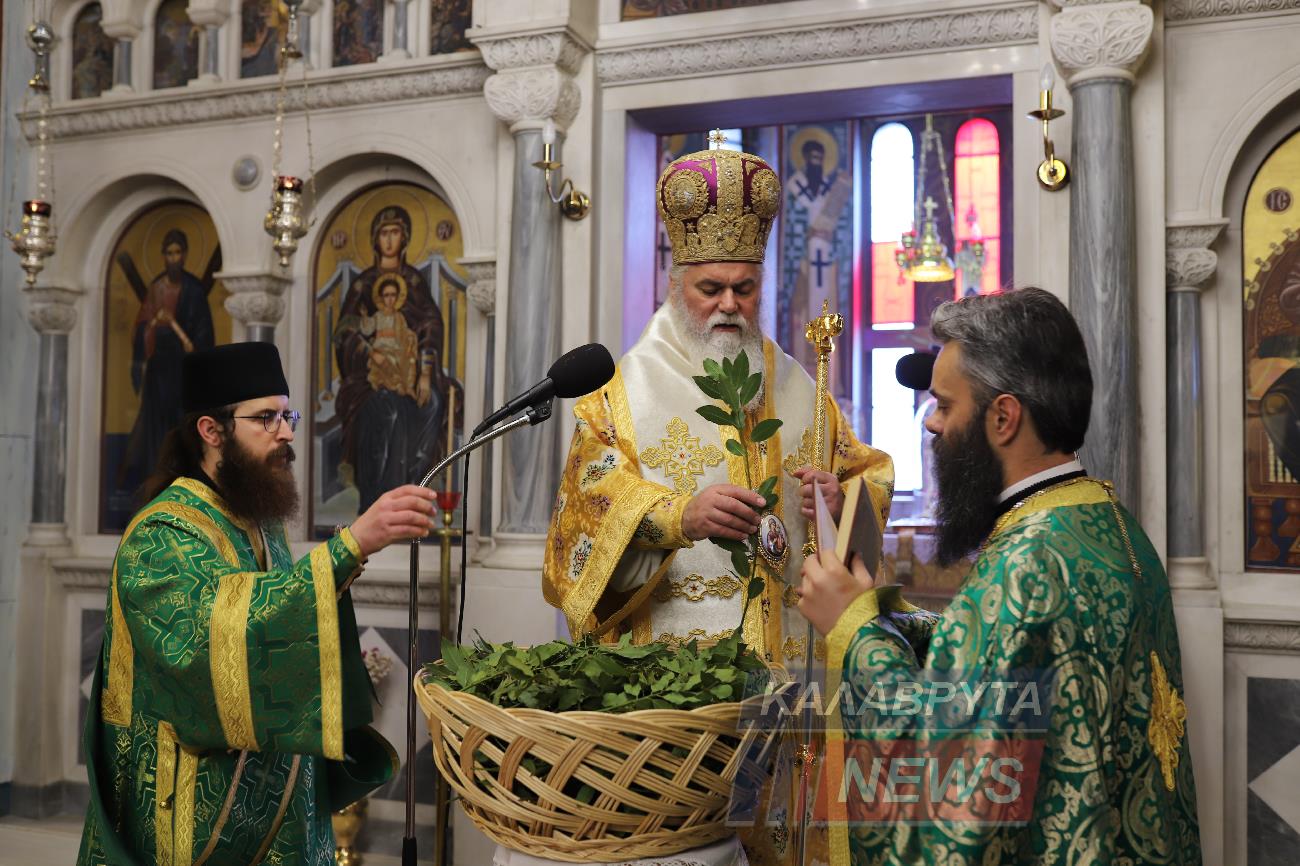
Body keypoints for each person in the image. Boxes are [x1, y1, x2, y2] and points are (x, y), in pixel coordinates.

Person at [542, 141, 894, 866]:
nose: (730, 304)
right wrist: (677, 516)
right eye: (711, 288)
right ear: (676, 283)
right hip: (677, 708)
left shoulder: (798, 385)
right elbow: (578, 525)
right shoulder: (620, 397)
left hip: (789, 694)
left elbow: (867, 475)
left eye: (745, 287)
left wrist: (842, 497)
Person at [798, 288, 1202, 865]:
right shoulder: (1102, 519)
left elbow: (946, 777)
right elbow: (1005, 666)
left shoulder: (1027, 562)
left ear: (1004, 417)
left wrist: (853, 629)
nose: (932, 423)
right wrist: (885, 616)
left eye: (944, 405)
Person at [79, 342, 438, 866]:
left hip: (282, 794)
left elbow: (282, 625)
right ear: (211, 430)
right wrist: (349, 546)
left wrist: (340, 563)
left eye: (287, 416)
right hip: (197, 808)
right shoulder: (162, 533)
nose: (287, 432)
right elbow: (208, 643)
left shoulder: (259, 520)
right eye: (266, 418)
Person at [334, 205, 457, 513]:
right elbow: (346, 332)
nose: (389, 240)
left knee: (433, 404)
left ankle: (415, 487)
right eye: (384, 233)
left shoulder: (414, 283)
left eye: (395, 233)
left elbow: (430, 326)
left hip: (410, 375)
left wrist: (424, 374)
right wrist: (369, 352)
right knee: (386, 412)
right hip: (370, 378)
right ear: (375, 239)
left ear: (405, 238)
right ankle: (375, 500)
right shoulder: (363, 285)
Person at [120, 229, 215, 491]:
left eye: (177, 252)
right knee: (154, 426)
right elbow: (141, 331)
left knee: (180, 424)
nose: (173, 258)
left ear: (184, 255)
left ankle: (181, 480)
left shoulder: (194, 290)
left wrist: (172, 324)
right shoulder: (156, 288)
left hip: (183, 374)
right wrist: (152, 324)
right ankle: (155, 479)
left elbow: (202, 341)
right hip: (158, 373)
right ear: (163, 256)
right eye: (169, 253)